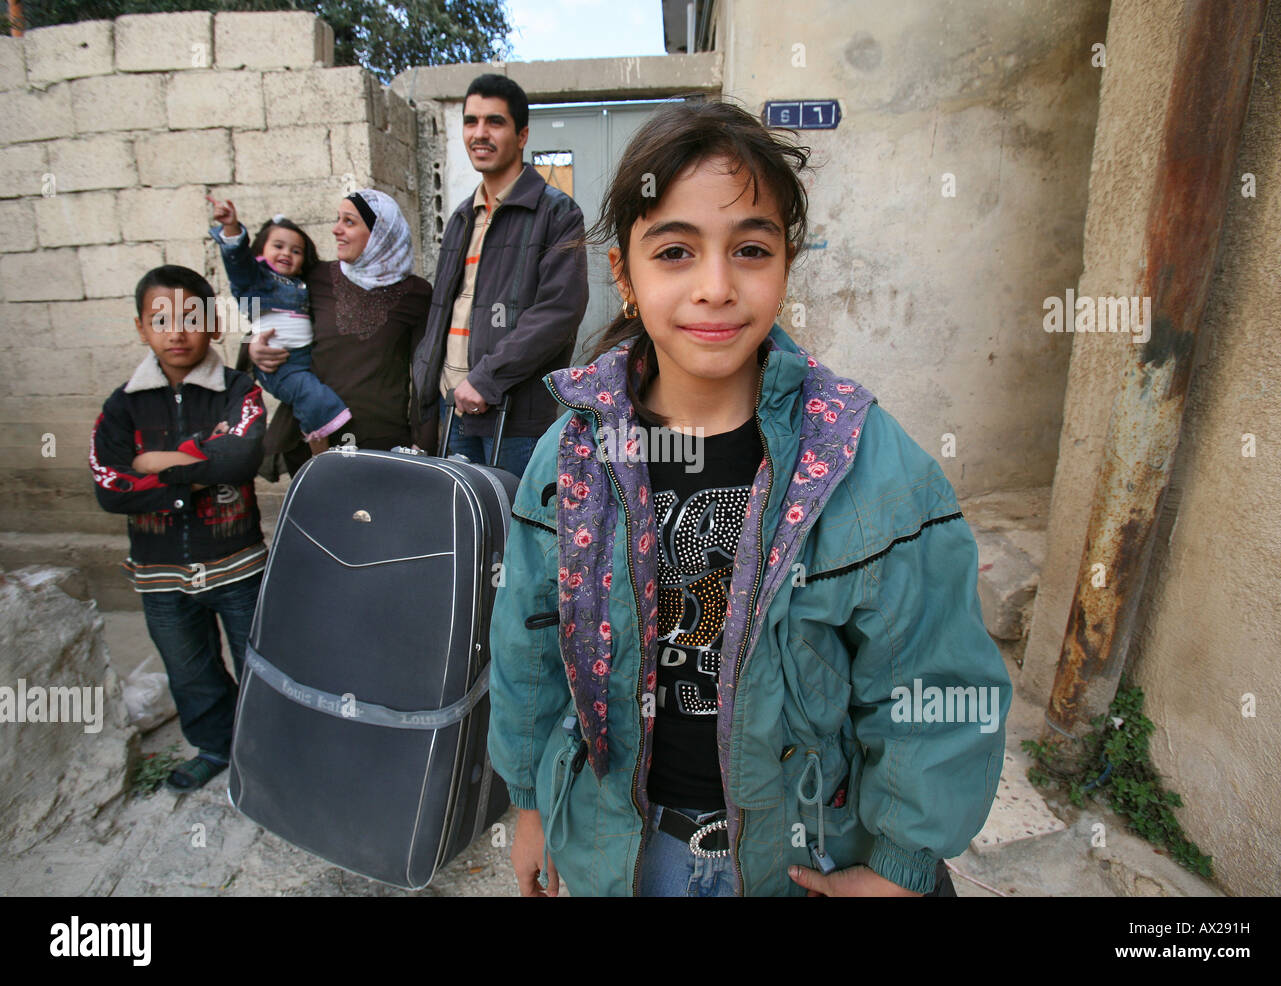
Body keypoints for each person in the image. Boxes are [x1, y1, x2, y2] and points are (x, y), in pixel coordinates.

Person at [487, 101, 1012, 897]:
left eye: (751, 250)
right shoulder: (574, 460)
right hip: (623, 850)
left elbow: (931, 675)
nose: (716, 288)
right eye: (674, 251)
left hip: (799, 858)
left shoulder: (867, 465)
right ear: (625, 275)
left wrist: (904, 866)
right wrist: (530, 802)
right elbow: (530, 647)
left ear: (786, 266)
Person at [90, 265, 268, 792]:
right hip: (160, 575)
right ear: (142, 328)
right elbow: (109, 487)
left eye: (192, 317)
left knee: (260, 664)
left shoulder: (239, 389)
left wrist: (153, 464)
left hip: (237, 566)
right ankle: (217, 746)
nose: (177, 331)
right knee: (190, 672)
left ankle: (268, 752)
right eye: (161, 319)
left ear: (214, 326)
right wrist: (195, 470)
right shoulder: (122, 406)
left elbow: (240, 458)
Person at [412, 73, 588, 479]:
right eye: (471, 122)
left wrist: (486, 379)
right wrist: (429, 385)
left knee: (515, 532)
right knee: (464, 531)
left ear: (522, 134)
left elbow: (558, 312)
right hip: (452, 407)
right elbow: (444, 311)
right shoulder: (461, 216)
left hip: (512, 416)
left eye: (494, 122)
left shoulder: (557, 214)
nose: (480, 133)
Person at [249, 189, 433, 477]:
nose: (336, 229)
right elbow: (264, 314)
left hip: (383, 444)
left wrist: (422, 442)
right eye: (338, 220)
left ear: (380, 231)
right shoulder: (316, 277)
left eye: (349, 221)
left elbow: (426, 372)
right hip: (314, 441)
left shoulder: (417, 293)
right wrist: (252, 346)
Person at [207, 197, 350, 456]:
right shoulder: (256, 281)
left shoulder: (302, 283)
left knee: (314, 394)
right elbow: (237, 261)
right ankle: (320, 453)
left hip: (306, 359)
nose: (287, 254)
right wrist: (231, 229)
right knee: (314, 398)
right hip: (282, 363)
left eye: (296, 251)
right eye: (279, 246)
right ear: (261, 251)